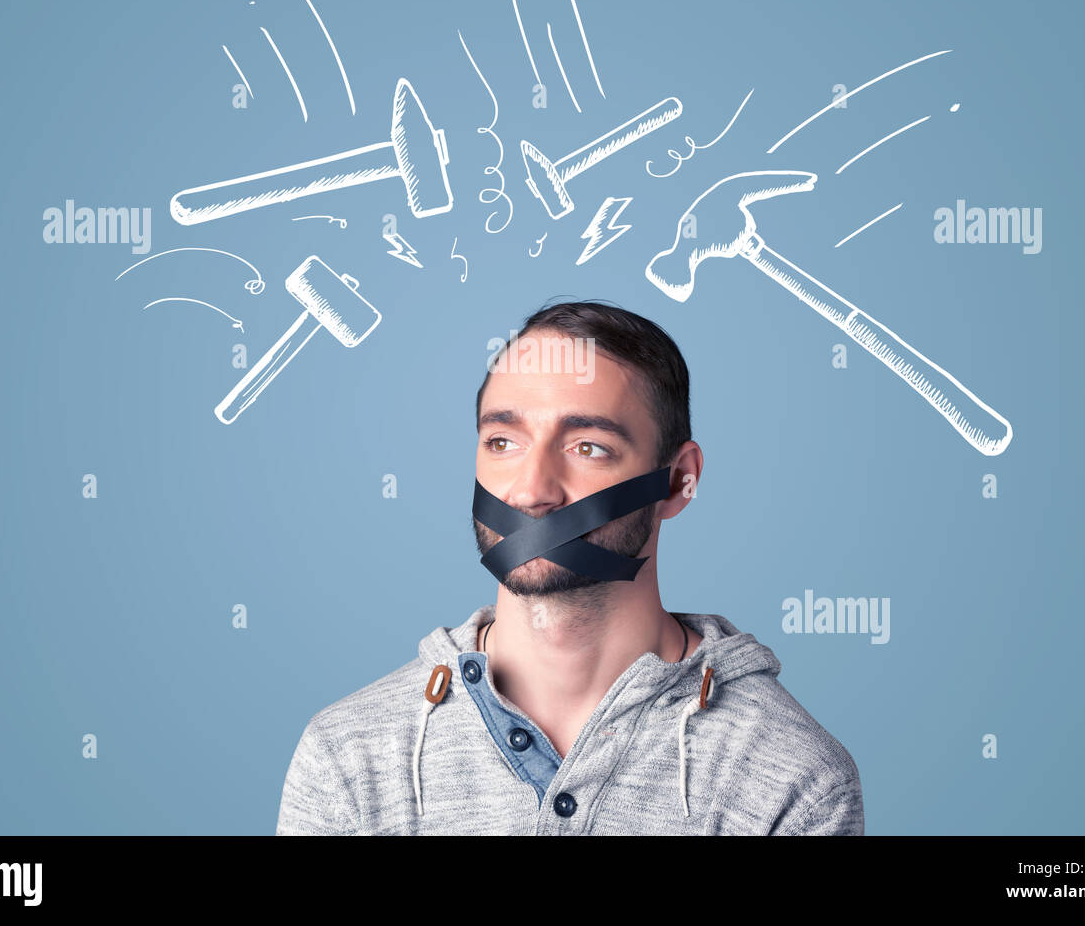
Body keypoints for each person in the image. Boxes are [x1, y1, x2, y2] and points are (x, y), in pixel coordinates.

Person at [276, 300, 864, 835]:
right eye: (503, 441)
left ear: (680, 480)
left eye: (588, 448)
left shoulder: (790, 781)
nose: (531, 491)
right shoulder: (350, 758)